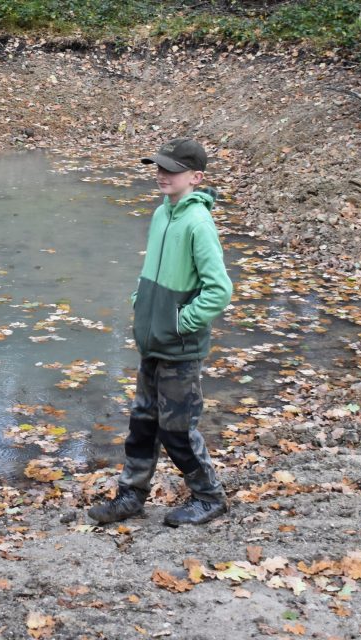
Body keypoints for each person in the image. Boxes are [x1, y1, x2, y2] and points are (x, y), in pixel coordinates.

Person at [88, 138, 233, 527]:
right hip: (152, 341)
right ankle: (131, 497)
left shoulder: (197, 222)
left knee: (177, 430)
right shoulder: (162, 215)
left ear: (196, 177)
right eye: (159, 167)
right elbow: (151, 271)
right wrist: (142, 301)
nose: (162, 174)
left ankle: (208, 496)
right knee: (142, 424)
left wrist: (179, 321)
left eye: (171, 169)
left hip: (179, 347)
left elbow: (219, 289)